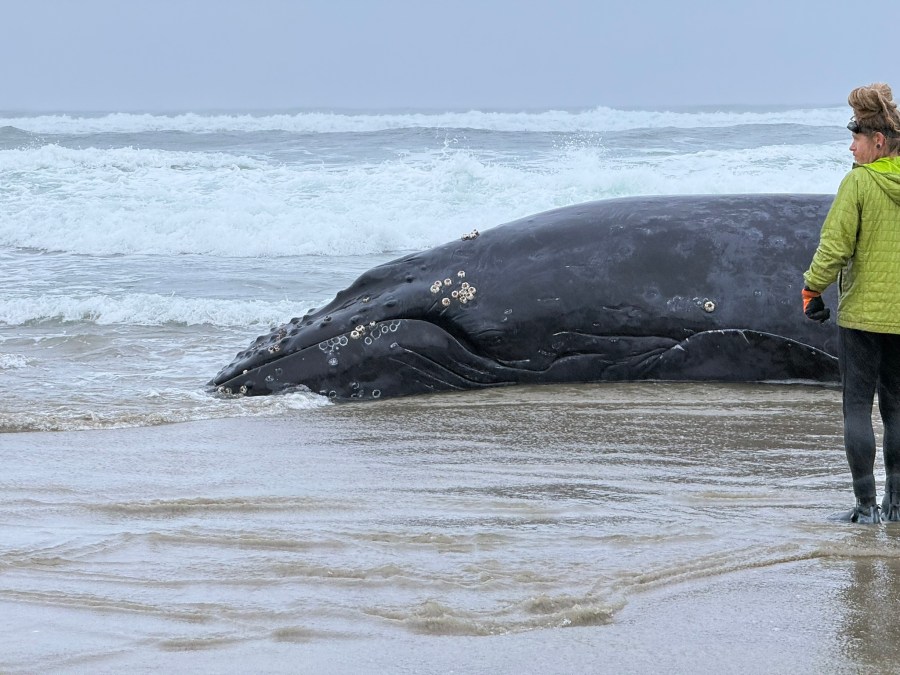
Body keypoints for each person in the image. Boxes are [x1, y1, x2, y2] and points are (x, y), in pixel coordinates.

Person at [803, 82, 900, 523]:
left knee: (858, 407)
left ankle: (865, 508)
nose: (851, 146)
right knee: (897, 408)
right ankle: (896, 505)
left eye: (857, 137)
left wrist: (812, 289)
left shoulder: (858, 184)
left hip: (863, 317)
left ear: (878, 141)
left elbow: (835, 247)